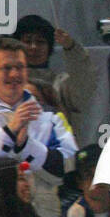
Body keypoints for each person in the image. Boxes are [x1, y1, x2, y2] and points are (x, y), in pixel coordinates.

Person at [0, 36, 76, 217]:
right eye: (6, 68)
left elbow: (66, 168)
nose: (14, 75)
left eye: (19, 67)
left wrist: (26, 145)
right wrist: (10, 131)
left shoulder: (50, 117)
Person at [12, 13, 96, 143]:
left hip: (56, 154)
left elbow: (84, 83)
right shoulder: (4, 83)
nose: (34, 47)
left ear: (49, 47)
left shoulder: (60, 84)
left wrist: (71, 48)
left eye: (40, 42)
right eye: (28, 41)